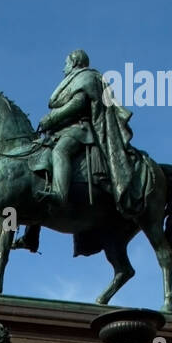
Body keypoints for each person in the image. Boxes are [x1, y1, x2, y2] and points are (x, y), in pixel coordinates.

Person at [37, 49, 136, 217]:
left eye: (66, 63)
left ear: (75, 62)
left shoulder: (86, 77)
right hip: (63, 130)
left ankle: (59, 194)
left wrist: (52, 119)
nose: (63, 68)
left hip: (80, 129)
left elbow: (78, 103)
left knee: (60, 151)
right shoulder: (71, 80)